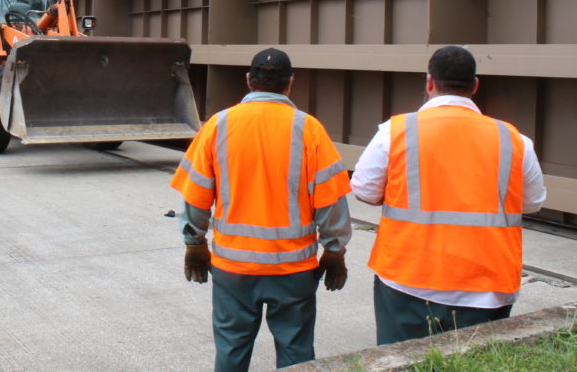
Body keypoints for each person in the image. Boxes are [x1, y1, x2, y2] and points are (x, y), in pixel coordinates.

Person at [170, 48, 353, 370]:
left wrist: (194, 243)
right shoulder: (309, 129)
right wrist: (334, 251)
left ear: (249, 81)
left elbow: (194, 195)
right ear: (290, 83)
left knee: (231, 350)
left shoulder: (218, 125)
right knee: (296, 353)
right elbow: (331, 200)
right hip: (293, 269)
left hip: (234, 268)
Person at [352, 45, 547, 346]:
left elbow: (364, 189)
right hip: (487, 285)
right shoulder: (514, 139)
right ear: (475, 86)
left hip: (407, 278)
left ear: (429, 82)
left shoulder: (396, 130)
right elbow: (532, 203)